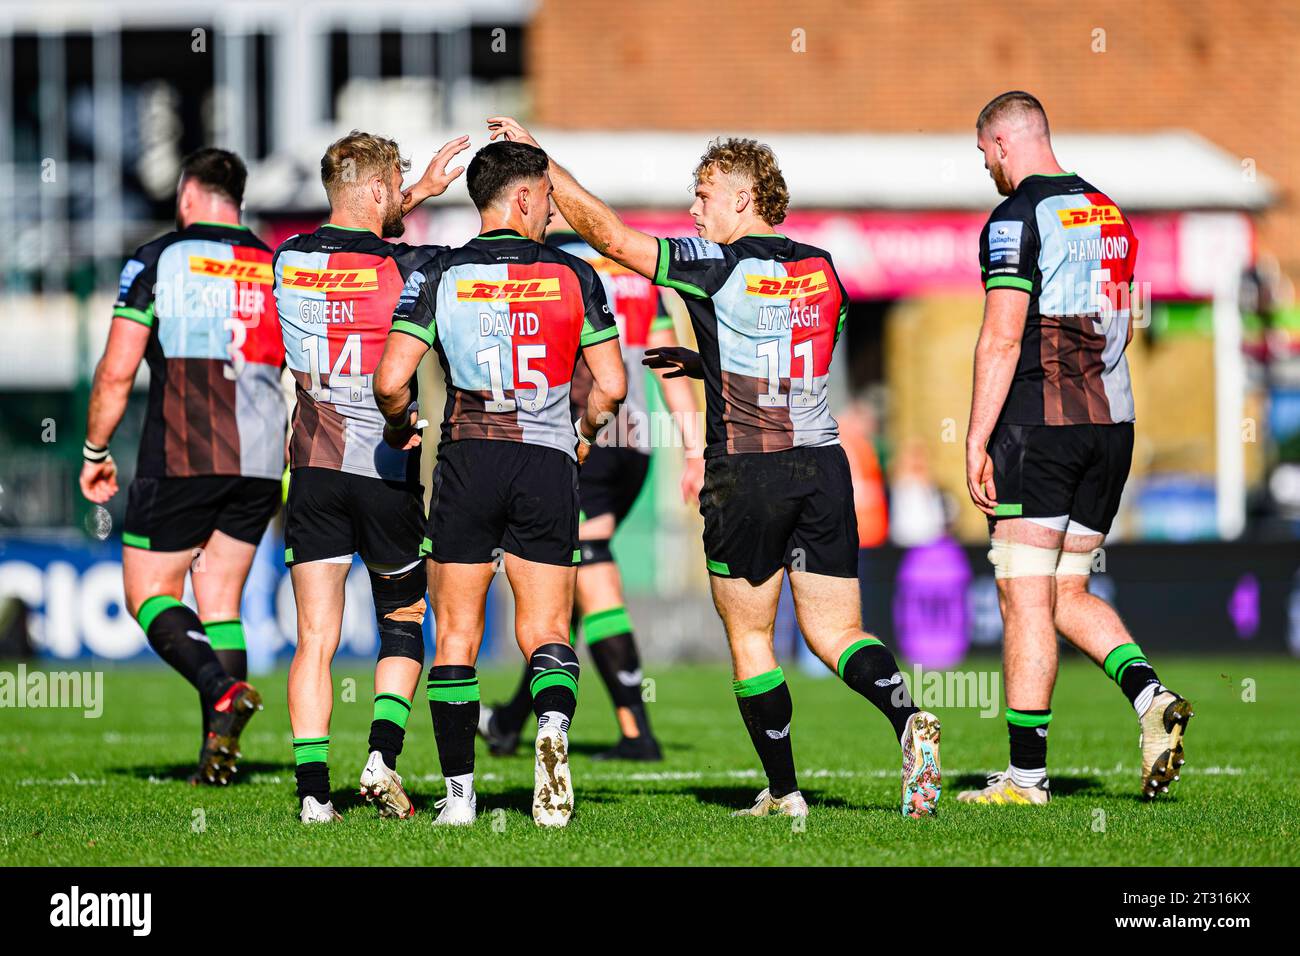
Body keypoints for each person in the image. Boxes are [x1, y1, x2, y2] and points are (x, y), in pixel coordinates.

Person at [485, 116, 942, 819]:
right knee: (838, 634)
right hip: (822, 466)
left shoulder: (712, 264)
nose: (693, 209)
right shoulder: (822, 267)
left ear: (744, 198)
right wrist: (710, 365)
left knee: (752, 637)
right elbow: (796, 364)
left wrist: (543, 163)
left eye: (703, 194)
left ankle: (786, 794)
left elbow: (608, 236)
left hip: (747, 474)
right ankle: (909, 718)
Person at [373, 140, 625, 828]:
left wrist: (402, 425)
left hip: (467, 459)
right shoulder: (575, 273)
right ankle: (551, 727)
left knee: (454, 635)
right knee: (545, 628)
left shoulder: (437, 271)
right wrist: (585, 432)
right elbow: (612, 385)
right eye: (547, 196)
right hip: (546, 460)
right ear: (522, 198)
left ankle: (458, 799)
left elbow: (390, 380)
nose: (552, 209)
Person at [960, 91, 1191, 805]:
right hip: (1112, 426)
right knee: (1065, 592)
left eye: (984, 156)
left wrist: (974, 438)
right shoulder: (1110, 213)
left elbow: (1002, 336)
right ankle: (1150, 697)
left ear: (1002, 142)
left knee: (1021, 592)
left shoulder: (1016, 216)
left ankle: (1026, 778)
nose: (988, 171)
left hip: (1042, 426)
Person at [274, 130, 469, 823]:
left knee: (316, 638)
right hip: (387, 465)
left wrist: (413, 191)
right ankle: (382, 756)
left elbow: (358, 226)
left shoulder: (288, 259)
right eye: (400, 184)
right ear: (383, 190)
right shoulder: (418, 265)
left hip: (314, 471)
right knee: (404, 618)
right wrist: (431, 196)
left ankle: (312, 798)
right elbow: (393, 248)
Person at [81, 147, 282, 786]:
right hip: (257, 459)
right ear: (239, 202)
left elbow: (116, 372)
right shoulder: (273, 263)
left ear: (187, 195)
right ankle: (216, 757)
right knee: (221, 599)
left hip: (183, 454)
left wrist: (94, 450)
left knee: (149, 594)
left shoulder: (158, 258)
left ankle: (221, 689)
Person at [478, 215, 705, 762]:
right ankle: (510, 720)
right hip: (636, 449)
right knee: (571, 578)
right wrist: (693, 446)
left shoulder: (549, 266)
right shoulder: (633, 273)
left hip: (584, 436)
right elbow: (666, 364)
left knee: (589, 567)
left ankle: (636, 732)